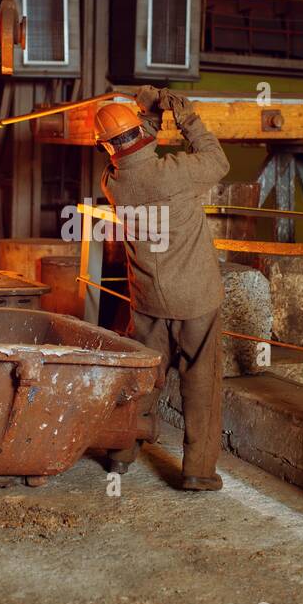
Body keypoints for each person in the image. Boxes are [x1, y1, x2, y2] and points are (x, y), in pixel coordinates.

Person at [94, 86, 229, 491]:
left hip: (149, 300)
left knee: (143, 380)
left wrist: (148, 112)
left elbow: (134, 152)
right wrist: (187, 118)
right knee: (201, 383)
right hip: (195, 301)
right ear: (139, 133)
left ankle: (120, 456)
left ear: (107, 148)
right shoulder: (175, 172)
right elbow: (217, 161)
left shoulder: (113, 183)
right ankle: (198, 472)